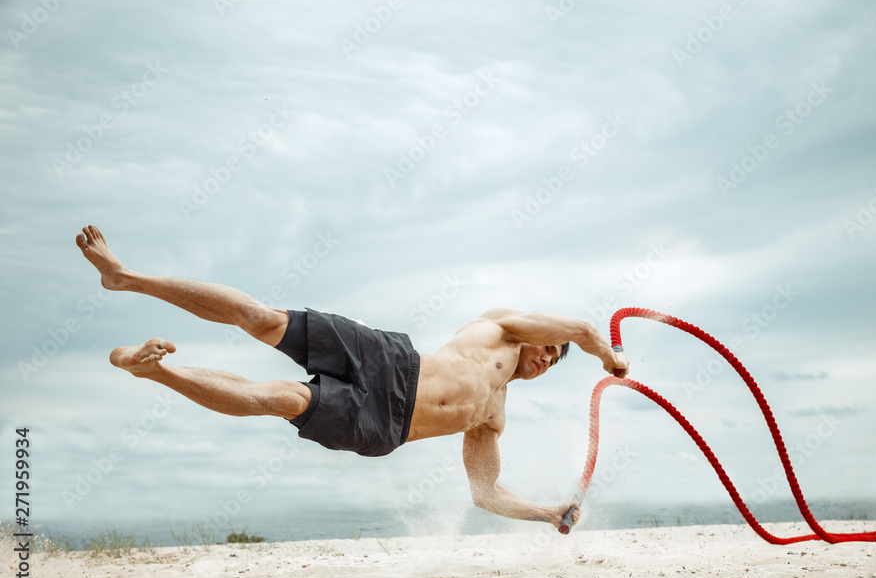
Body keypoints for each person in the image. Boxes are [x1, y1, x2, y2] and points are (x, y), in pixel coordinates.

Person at [76, 225, 629, 530]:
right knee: (265, 320)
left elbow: (485, 494)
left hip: (382, 426)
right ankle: (127, 279)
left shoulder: (493, 415)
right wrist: (610, 356)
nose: (551, 358)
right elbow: (581, 327)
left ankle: (155, 370)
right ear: (536, 333)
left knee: (282, 399)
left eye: (558, 361)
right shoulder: (498, 329)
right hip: (390, 360)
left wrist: (546, 511)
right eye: (551, 349)